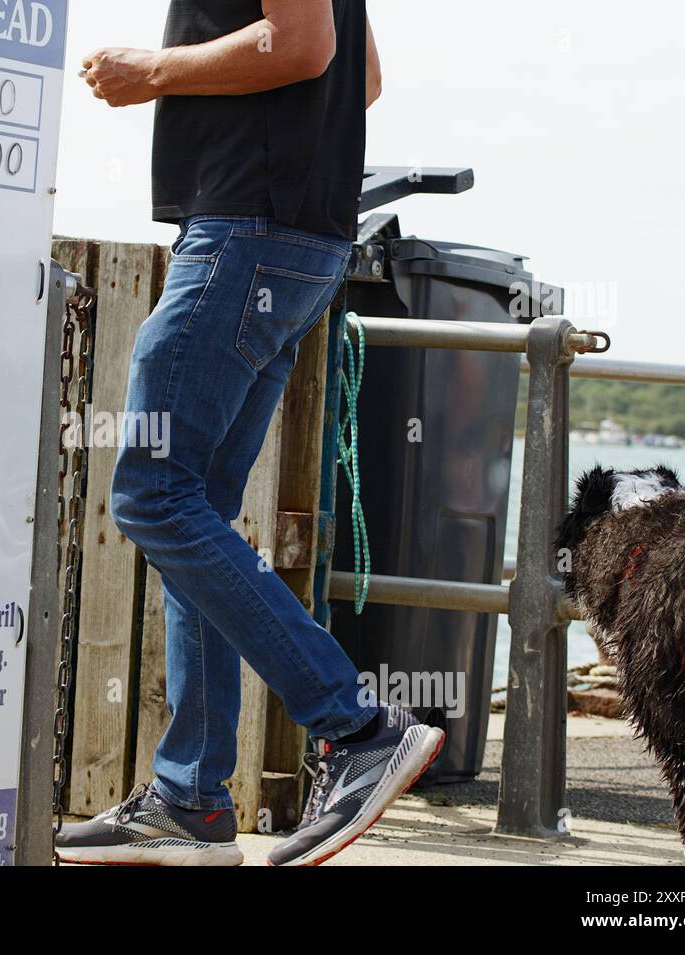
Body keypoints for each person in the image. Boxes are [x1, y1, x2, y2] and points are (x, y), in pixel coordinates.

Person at [55, 1, 445, 867]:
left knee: (151, 492)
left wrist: (151, 71)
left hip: (246, 232)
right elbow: (362, 76)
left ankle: (357, 726)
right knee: (195, 508)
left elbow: (301, 46)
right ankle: (191, 797)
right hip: (296, 241)